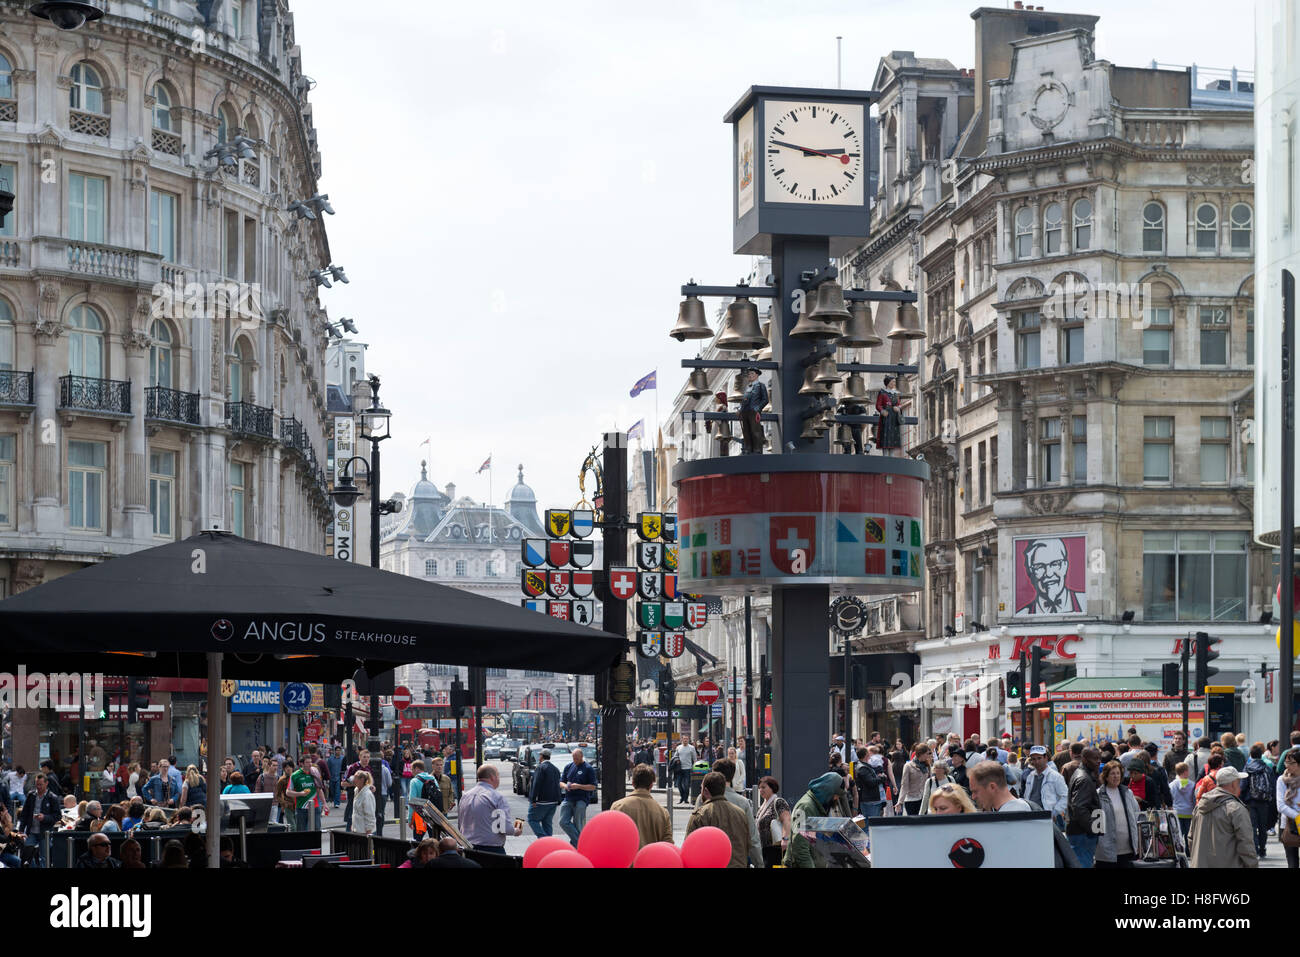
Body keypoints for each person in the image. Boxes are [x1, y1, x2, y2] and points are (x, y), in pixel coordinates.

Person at [694, 758, 762, 867]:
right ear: (733, 775)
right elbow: (753, 839)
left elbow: (694, 833)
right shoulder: (743, 802)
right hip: (737, 862)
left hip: (709, 861)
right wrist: (759, 864)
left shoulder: (702, 798)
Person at [1188, 767, 1258, 869]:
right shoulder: (1236, 809)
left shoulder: (1199, 807)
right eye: (1238, 783)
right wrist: (1253, 865)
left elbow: (1191, 839)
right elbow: (1246, 845)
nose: (1240, 787)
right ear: (1233, 784)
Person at [686, 771, 751, 868]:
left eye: (701, 788)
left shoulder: (700, 815)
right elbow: (748, 843)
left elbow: (689, 849)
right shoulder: (740, 813)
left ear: (706, 791)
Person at [457, 765, 521, 854]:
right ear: (492, 777)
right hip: (491, 850)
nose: (499, 779)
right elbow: (504, 828)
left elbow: (460, 824)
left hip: (468, 848)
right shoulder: (497, 797)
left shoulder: (465, 796)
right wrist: (516, 831)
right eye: (498, 775)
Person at [784, 773, 843, 868]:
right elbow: (799, 846)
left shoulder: (819, 806)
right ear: (827, 791)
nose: (837, 798)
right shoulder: (806, 807)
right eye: (836, 795)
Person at [1014, 537, 1084, 616]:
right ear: (1031, 571)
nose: (1049, 573)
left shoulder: (1084, 602)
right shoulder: (1023, 614)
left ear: (1065, 566)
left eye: (1055, 564)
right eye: (1039, 566)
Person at [610, 764, 672, 848]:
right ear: (651, 785)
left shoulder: (618, 806)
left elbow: (611, 837)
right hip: (651, 856)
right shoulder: (663, 812)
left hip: (627, 856)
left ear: (633, 783)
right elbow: (668, 844)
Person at [1095, 760, 1141, 868]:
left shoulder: (1127, 792)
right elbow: (1096, 824)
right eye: (1112, 773)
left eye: (1118, 773)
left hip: (1127, 848)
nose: (1116, 776)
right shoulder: (1098, 794)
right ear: (1106, 776)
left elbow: (1137, 814)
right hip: (1106, 850)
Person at [1067, 747, 1102, 868]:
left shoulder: (1083, 774)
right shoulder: (1084, 778)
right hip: (1082, 834)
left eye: (1099, 758)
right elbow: (1079, 807)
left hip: (1081, 832)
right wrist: (1092, 828)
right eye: (1095, 758)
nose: (1098, 761)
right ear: (1085, 759)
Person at [1021, 745, 1069, 828]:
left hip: (1049, 818)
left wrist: (1055, 812)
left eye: (1039, 758)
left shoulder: (1055, 776)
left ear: (1046, 758)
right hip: (1032, 817)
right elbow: (1027, 796)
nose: (1036, 761)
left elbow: (1065, 796)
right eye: (1033, 759)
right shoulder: (1030, 776)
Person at [558, 747, 597, 846]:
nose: (575, 760)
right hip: (568, 798)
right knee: (563, 822)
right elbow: (561, 782)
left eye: (577, 758)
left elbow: (593, 786)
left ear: (582, 756)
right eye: (573, 758)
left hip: (581, 799)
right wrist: (565, 786)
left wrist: (579, 786)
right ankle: (581, 843)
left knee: (578, 824)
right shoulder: (568, 766)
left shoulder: (588, 768)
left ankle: (576, 845)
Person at [19, 772, 60, 867]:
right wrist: (21, 829)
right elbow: (24, 813)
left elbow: (57, 816)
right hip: (31, 831)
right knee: (26, 854)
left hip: (44, 833)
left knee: (44, 857)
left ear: (46, 783)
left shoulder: (52, 797)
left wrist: (45, 817)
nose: (38, 787)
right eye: (37, 784)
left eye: (40, 784)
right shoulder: (31, 795)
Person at [1243, 743, 1276, 858]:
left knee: (1252, 826)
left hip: (1250, 801)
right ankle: (1262, 849)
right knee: (1263, 826)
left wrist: (1242, 799)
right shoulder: (1267, 767)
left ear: (1250, 754)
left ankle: (1255, 849)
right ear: (1261, 754)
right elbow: (1272, 784)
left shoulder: (1247, 768)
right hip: (1264, 801)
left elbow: (1243, 785)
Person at [754, 776, 791, 868]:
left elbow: (787, 820)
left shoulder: (778, 802)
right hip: (765, 849)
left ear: (772, 788)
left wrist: (785, 839)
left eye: (763, 787)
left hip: (776, 848)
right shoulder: (762, 806)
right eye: (759, 788)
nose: (761, 790)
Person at [526, 749, 561, 838]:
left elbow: (536, 784)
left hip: (542, 801)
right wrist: (558, 799)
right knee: (547, 822)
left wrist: (533, 799)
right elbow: (558, 784)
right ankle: (549, 842)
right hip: (553, 801)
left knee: (532, 819)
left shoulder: (541, 768)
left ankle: (543, 839)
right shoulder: (555, 769)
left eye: (540, 755)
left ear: (541, 756)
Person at [1276, 748, 1300, 869]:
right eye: (1286, 762)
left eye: (1291, 763)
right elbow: (1280, 805)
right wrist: (1297, 816)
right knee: (1292, 863)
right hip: (1289, 825)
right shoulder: (1282, 780)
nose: (1287, 766)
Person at [738, 367, 768, 454]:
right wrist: (740, 408)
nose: (750, 375)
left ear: (757, 375)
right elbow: (744, 400)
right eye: (749, 374)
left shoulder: (761, 386)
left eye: (752, 374)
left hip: (754, 411)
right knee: (746, 431)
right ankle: (748, 448)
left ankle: (757, 448)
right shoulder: (748, 387)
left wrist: (758, 408)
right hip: (745, 411)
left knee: (755, 430)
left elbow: (765, 399)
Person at [895, 744, 931, 815]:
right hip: (911, 800)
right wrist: (900, 802)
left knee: (924, 821)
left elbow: (929, 782)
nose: (928, 756)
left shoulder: (927, 765)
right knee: (914, 821)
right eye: (927, 754)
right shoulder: (908, 766)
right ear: (920, 754)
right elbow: (904, 785)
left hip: (924, 799)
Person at [854, 747, 887, 818]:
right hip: (870, 801)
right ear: (866, 755)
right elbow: (871, 782)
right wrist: (882, 778)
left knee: (872, 822)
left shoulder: (863, 766)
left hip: (871, 800)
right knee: (871, 822)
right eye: (868, 753)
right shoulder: (863, 768)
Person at [874, 374, 902, 455]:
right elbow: (878, 405)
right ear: (888, 382)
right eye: (893, 382)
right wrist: (882, 411)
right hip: (886, 418)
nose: (894, 383)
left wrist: (898, 408)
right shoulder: (882, 393)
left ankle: (892, 456)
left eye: (894, 382)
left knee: (893, 438)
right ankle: (885, 456)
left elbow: (899, 404)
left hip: (894, 418)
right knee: (885, 437)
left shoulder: (895, 393)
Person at [1170, 762, 1196, 839]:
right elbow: (1194, 799)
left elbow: (1170, 798)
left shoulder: (1172, 785)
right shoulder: (1192, 785)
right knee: (1189, 837)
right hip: (1189, 813)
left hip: (1177, 813)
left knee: (1179, 837)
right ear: (1185, 772)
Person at [705, 391, 734, 456]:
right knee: (716, 444)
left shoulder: (722, 407)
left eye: (717, 398)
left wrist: (711, 420)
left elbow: (720, 419)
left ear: (720, 398)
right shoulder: (720, 407)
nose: (716, 399)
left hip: (719, 429)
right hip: (717, 429)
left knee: (717, 446)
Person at [350, 771, 376, 836]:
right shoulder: (356, 791)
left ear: (361, 780)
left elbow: (370, 814)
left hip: (364, 831)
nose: (353, 780)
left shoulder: (367, 795)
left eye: (355, 777)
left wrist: (369, 831)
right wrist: (353, 825)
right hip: (357, 830)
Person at [672, 736, 696, 804]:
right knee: (679, 784)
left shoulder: (692, 748)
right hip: (679, 769)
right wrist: (677, 760)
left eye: (687, 739)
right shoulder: (678, 747)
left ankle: (685, 799)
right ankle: (682, 797)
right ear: (682, 740)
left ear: (688, 740)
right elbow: (675, 756)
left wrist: (694, 767)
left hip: (688, 768)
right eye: (684, 739)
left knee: (686, 785)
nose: (685, 740)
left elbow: (694, 758)